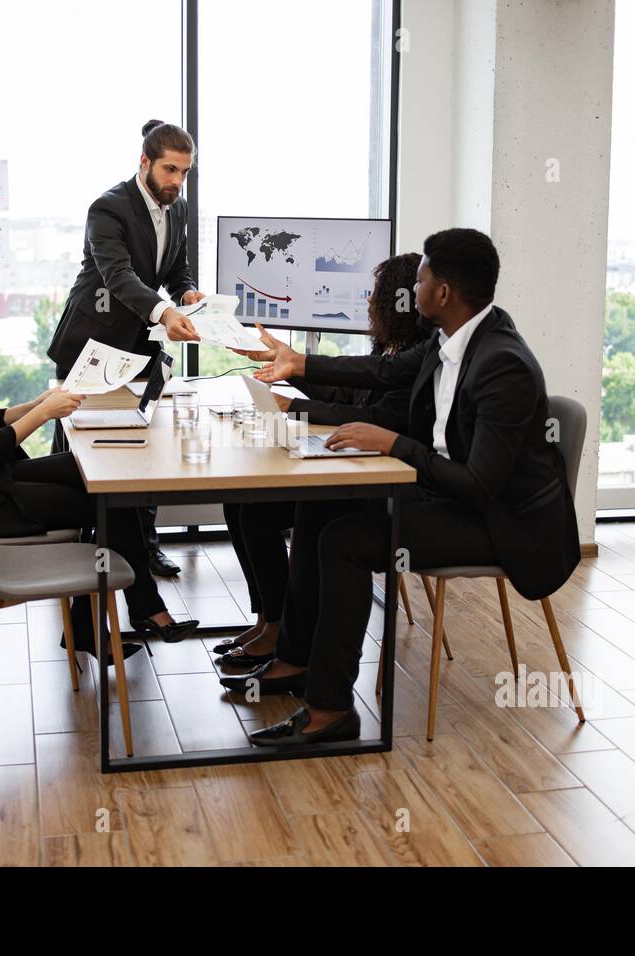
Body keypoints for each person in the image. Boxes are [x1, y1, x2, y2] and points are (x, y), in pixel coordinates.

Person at [221, 228, 581, 745]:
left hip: (499, 522)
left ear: (443, 293)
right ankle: (298, 659)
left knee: (343, 542)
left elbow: (479, 486)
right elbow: (381, 371)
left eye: (420, 279)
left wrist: (393, 443)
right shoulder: (452, 338)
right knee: (320, 508)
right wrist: (298, 363)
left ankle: (330, 712)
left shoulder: (503, 365)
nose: (411, 290)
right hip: (448, 492)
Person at [0, 250, 200, 660]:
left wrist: (37, 401)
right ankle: (138, 612)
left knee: (98, 472)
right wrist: (42, 414)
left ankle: (116, 620)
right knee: (110, 500)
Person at [214, 252, 427, 672]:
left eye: (376, 293)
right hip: (359, 469)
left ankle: (292, 645)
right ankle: (271, 622)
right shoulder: (391, 346)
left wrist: (293, 407)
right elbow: (347, 395)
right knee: (245, 503)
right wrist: (288, 367)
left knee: (317, 512)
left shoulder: (416, 359)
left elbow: (376, 418)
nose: (367, 301)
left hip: (388, 485)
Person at [47, 119, 208, 578]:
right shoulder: (108, 207)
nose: (177, 181)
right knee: (78, 448)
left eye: (185, 172)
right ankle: (79, 547)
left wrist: (188, 294)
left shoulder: (178, 208)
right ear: (145, 163)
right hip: (91, 341)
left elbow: (177, 269)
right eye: (170, 170)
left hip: (140, 342)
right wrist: (163, 312)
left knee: (144, 441)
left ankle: (145, 547)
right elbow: (118, 277)